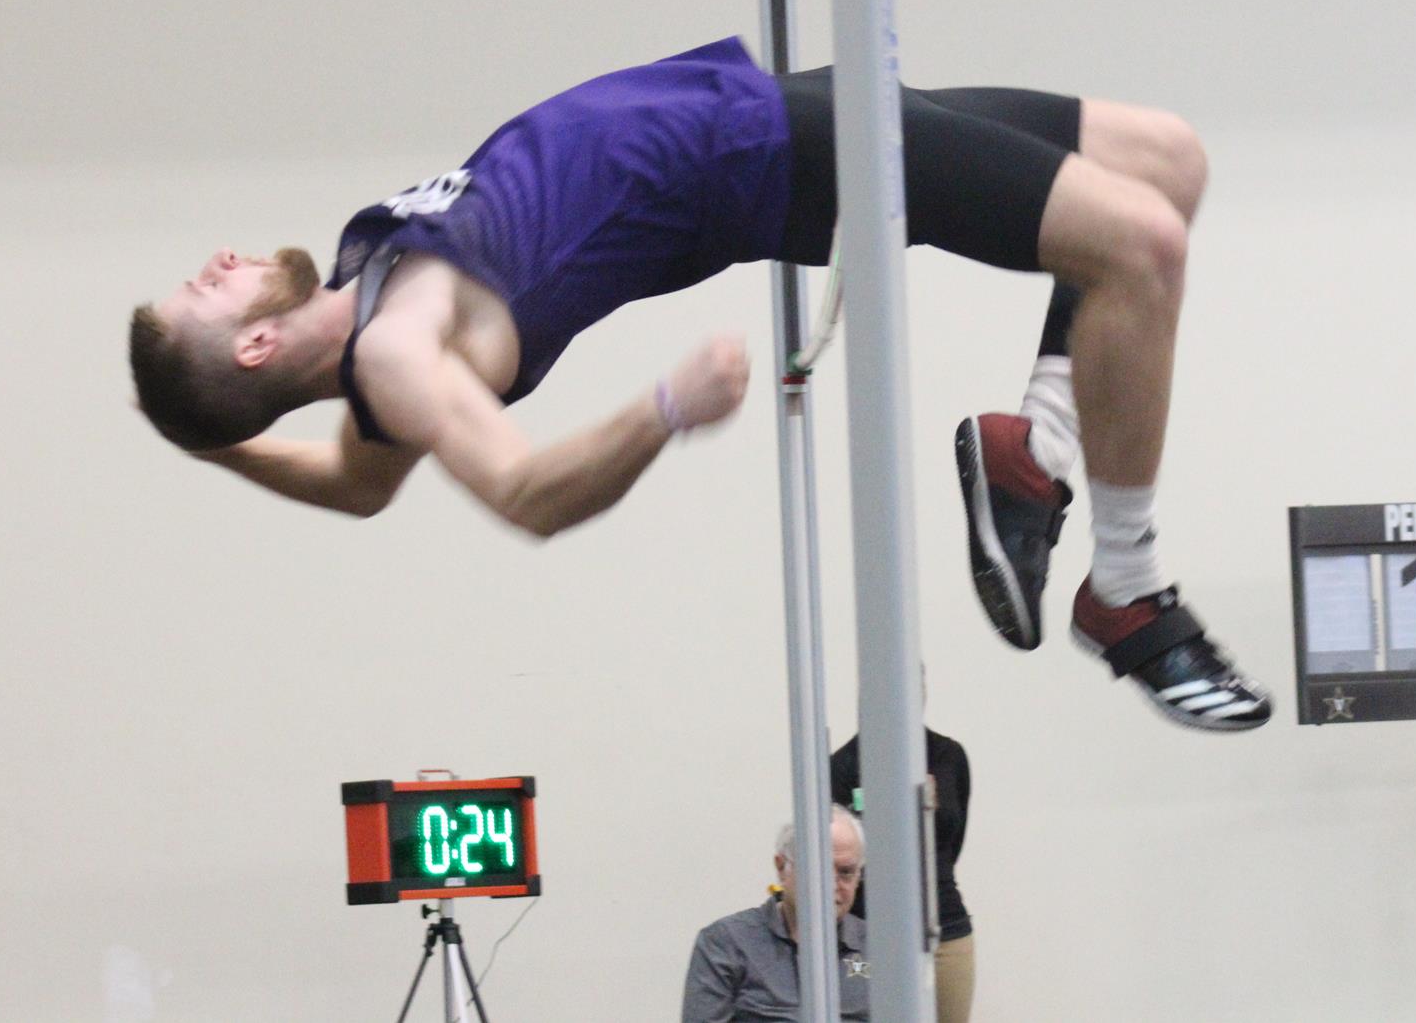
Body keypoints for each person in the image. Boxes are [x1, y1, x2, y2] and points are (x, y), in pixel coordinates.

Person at [128, 37, 1270, 729]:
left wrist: (207, 442)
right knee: (1141, 245)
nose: (217, 265)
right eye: (203, 293)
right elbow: (524, 493)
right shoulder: (394, 352)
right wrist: (662, 408)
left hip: (762, 105)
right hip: (763, 156)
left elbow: (355, 485)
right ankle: (1128, 588)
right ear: (254, 351)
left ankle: (1032, 458)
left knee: (1164, 159)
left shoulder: (361, 290)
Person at [832, 709, 973, 1023]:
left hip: (947, 930)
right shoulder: (842, 765)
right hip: (869, 937)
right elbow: (842, 856)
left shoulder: (948, 756)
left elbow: (951, 840)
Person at [682, 805, 870, 1022]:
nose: (831, 885)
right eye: (818, 869)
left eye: (846, 873)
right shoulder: (726, 944)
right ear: (782, 868)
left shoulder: (879, 949)